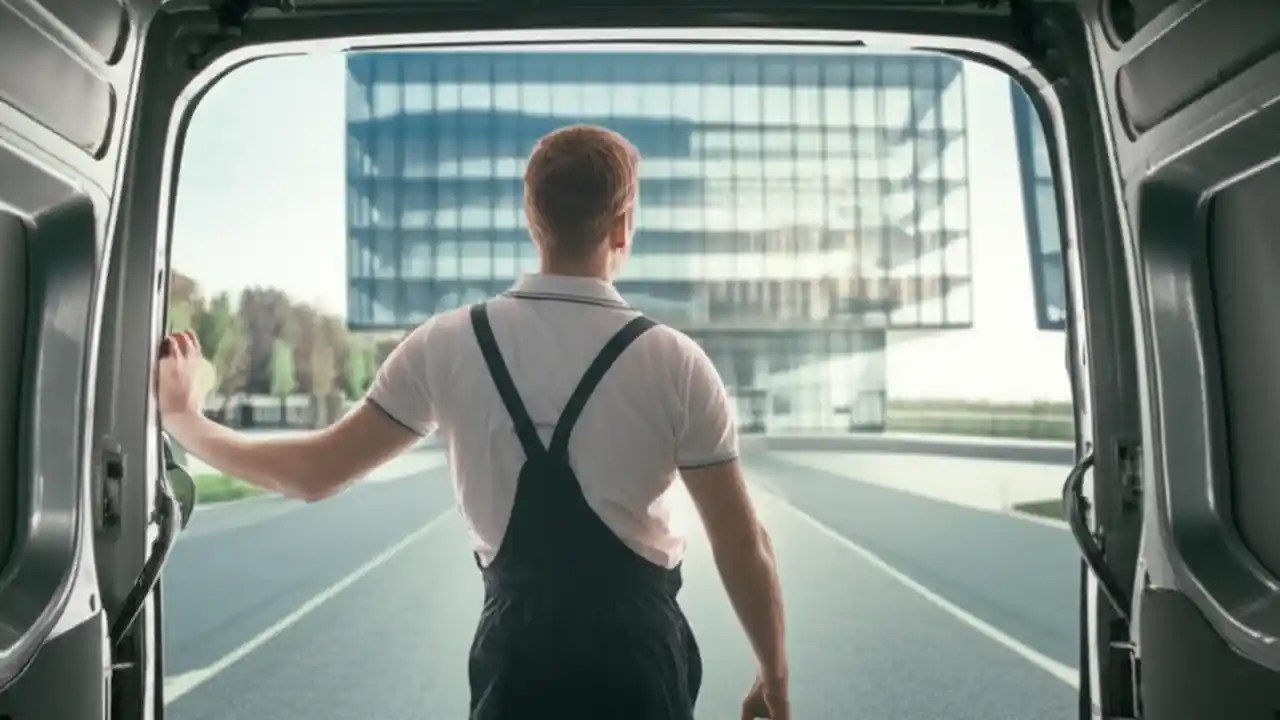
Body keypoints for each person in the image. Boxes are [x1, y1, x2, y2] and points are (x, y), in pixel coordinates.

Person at [157, 125, 789, 720]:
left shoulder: (447, 344)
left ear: (532, 218)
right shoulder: (675, 362)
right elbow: (742, 544)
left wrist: (186, 420)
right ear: (623, 227)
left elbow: (315, 472)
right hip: (639, 662)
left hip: (518, 660)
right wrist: (773, 675)